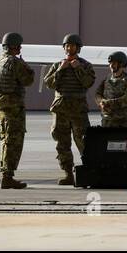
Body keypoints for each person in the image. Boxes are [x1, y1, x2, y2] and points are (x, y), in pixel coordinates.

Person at [43, 33, 96, 185]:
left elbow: (88, 82)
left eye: (72, 45)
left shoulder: (85, 65)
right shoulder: (57, 65)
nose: (69, 48)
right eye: (67, 45)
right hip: (61, 110)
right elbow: (49, 84)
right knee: (62, 143)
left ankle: (88, 172)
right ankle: (68, 173)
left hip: (78, 110)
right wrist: (61, 69)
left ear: (78, 48)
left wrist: (77, 68)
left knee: (84, 142)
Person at [0, 32, 35, 189]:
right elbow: (28, 80)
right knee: (13, 141)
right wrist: (26, 65)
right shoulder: (14, 62)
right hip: (13, 107)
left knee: (6, 138)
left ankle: (7, 175)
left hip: (1, 105)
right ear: (14, 46)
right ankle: (7, 176)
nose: (20, 48)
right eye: (19, 46)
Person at [95, 51, 127, 128]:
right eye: (110, 63)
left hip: (122, 121)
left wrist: (108, 103)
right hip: (106, 120)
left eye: (114, 63)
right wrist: (101, 102)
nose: (111, 66)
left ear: (121, 64)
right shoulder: (107, 79)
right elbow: (98, 93)